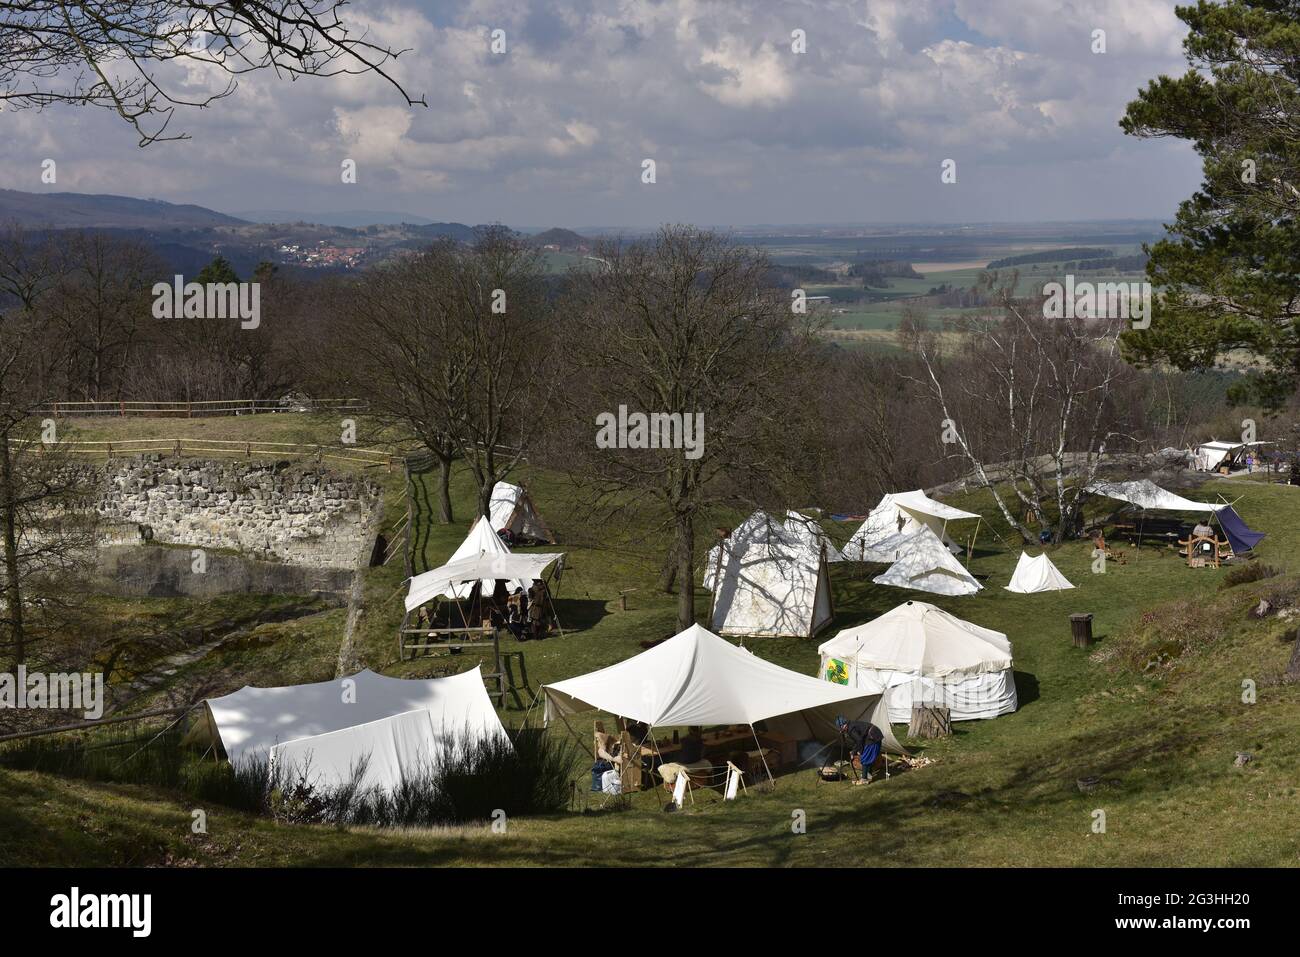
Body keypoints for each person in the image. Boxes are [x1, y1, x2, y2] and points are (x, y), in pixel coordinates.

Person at [835, 715, 884, 785]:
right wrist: (854, 751)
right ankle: (868, 775)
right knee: (867, 757)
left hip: (872, 737)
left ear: (844, 725)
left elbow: (859, 740)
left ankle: (864, 779)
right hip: (873, 735)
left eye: (841, 727)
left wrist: (857, 752)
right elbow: (858, 740)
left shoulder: (850, 729)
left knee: (865, 758)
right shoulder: (851, 725)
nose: (841, 729)